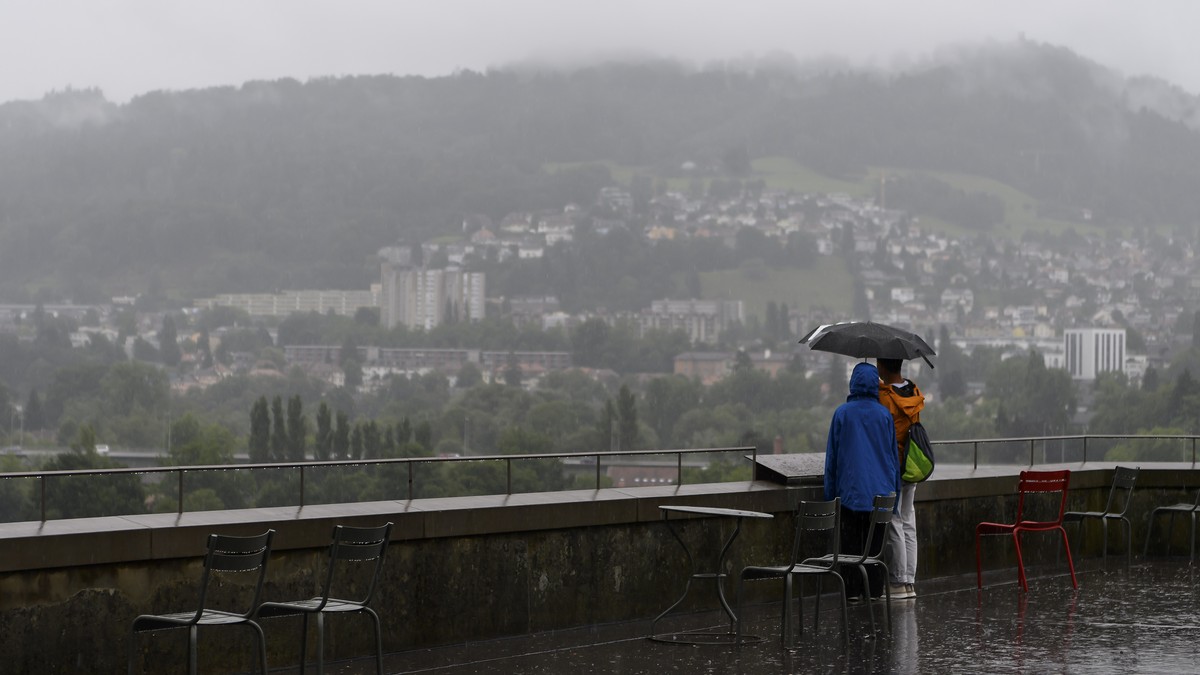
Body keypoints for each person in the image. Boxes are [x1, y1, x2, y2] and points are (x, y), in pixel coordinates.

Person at [824, 361, 899, 601]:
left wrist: (830, 497)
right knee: (875, 552)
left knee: (850, 550)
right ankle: (875, 595)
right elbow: (892, 459)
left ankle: (852, 593)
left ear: (853, 383)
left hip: (850, 495)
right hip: (880, 498)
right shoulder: (884, 416)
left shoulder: (842, 414)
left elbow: (832, 460)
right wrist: (894, 499)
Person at [877, 357, 926, 601]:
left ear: (883, 366)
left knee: (894, 521)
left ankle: (896, 582)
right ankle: (909, 581)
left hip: (893, 466)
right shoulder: (913, 391)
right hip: (911, 464)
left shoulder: (885, 398)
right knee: (908, 520)